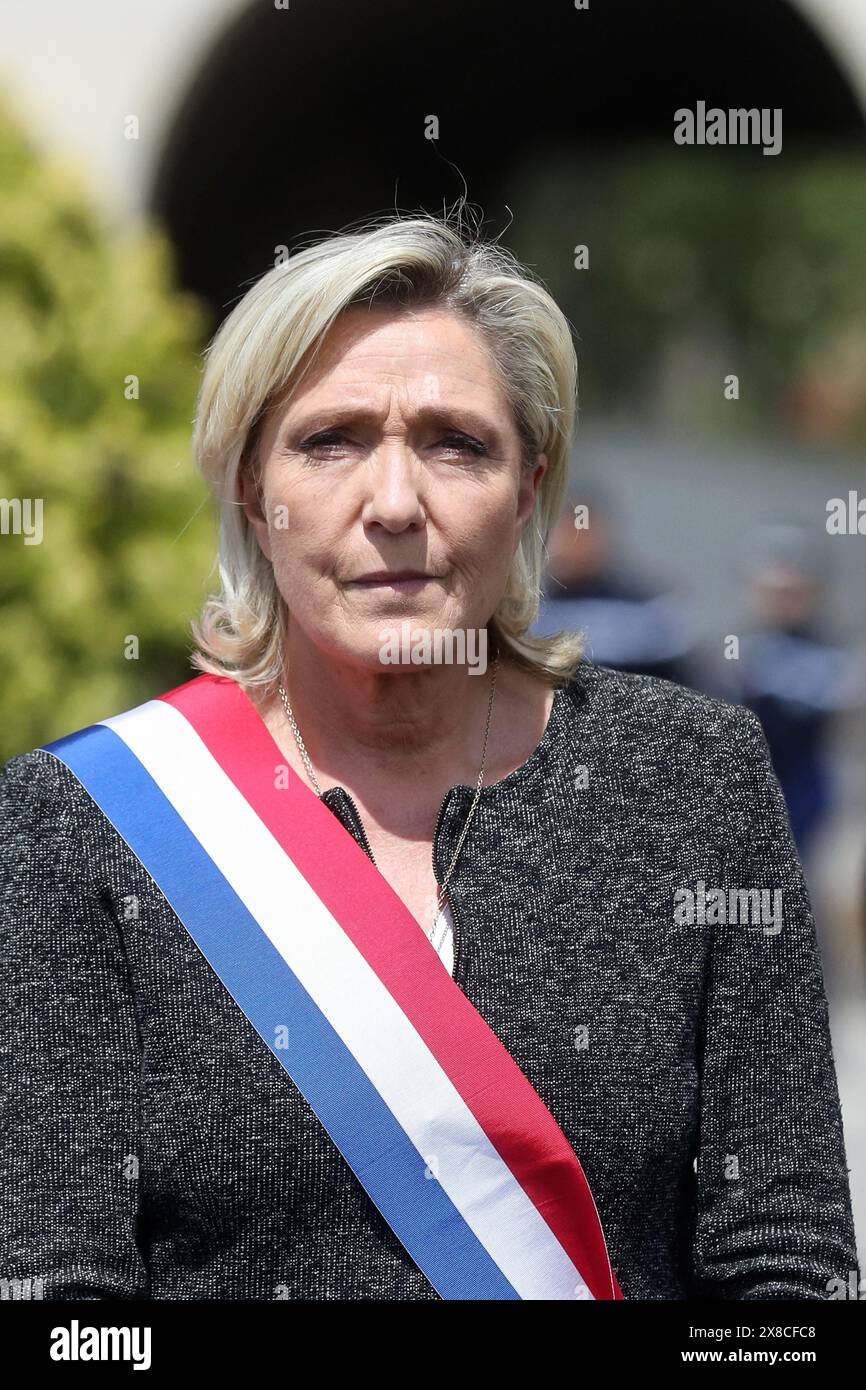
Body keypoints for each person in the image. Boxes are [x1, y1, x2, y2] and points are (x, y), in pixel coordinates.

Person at [0, 211, 858, 1301]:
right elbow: (54, 1294)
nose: (395, 504)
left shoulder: (691, 781)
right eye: (331, 440)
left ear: (528, 488)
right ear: (252, 493)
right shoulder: (88, 819)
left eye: (455, 444)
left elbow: (783, 1262)